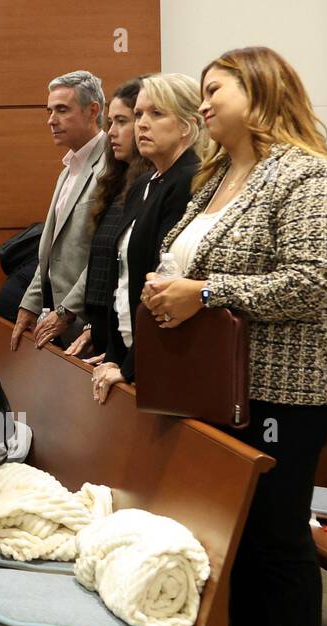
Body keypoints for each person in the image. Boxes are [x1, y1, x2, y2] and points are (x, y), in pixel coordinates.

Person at [140, 47, 327, 626]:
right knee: (241, 547)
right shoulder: (217, 177)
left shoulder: (305, 173)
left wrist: (208, 293)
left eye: (214, 89)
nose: (203, 103)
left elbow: (315, 281)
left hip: (286, 390)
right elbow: (187, 265)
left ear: (260, 93)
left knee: (278, 544)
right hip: (220, 390)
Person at [90, 73, 204, 400]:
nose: (142, 124)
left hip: (164, 354)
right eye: (138, 114)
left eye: (156, 114)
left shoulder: (188, 181)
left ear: (186, 125)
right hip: (129, 347)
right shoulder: (144, 183)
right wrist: (114, 355)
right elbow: (121, 273)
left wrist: (129, 367)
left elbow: (162, 279)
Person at [11, 70, 106, 352]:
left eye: (62, 110)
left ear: (92, 111)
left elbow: (104, 254)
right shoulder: (67, 171)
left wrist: (66, 311)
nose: (51, 120)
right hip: (66, 324)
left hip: (92, 324)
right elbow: (51, 251)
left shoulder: (112, 167)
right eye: (50, 110)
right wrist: (30, 303)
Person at [64, 76, 152, 362]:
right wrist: (93, 328)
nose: (112, 132)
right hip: (106, 334)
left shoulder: (151, 187)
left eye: (122, 121)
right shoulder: (115, 184)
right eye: (110, 122)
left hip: (132, 341)